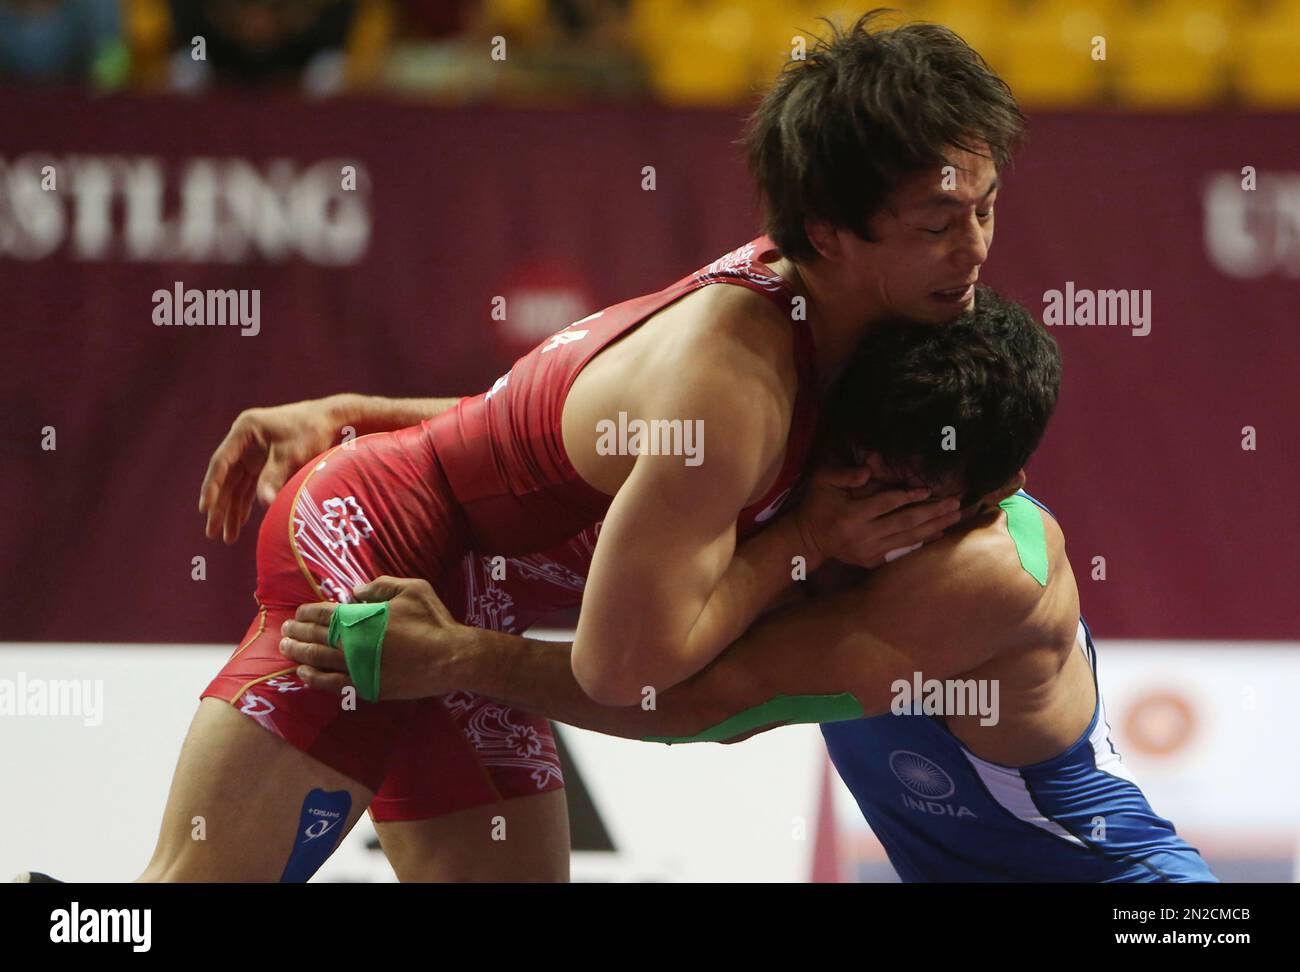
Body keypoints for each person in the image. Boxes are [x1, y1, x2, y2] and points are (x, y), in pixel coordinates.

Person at [18, 13, 1025, 884]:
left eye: (983, 206)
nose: (975, 247)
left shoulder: (845, 311)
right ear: (829, 231)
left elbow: (574, 422)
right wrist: (803, 536)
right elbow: (626, 666)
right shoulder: (734, 380)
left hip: (476, 587)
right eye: (940, 223)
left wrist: (369, 406)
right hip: (375, 546)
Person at [282, 290, 1217, 883]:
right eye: (851, 465)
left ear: (993, 493)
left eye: (902, 494)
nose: (861, 499)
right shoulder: (837, 466)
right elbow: (626, 437)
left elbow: (701, 704)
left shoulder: (987, 579)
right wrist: (375, 423)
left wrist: (455, 657)